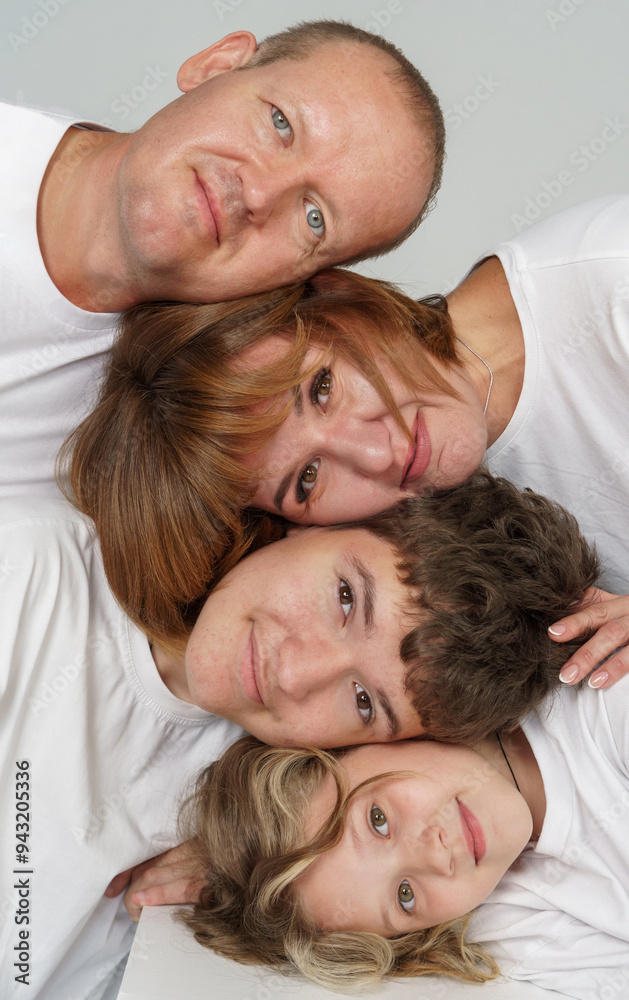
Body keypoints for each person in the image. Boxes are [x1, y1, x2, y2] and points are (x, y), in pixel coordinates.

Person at [0, 472, 601, 999]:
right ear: (317, 521)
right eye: (344, 598)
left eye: (364, 702)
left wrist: (244, 882)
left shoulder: (277, 818)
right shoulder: (30, 578)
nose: (295, 672)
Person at [0, 19, 444, 500]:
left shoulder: (162, 440)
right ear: (214, 65)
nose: (258, 191)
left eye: (313, 218)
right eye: (280, 123)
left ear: (303, 280)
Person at [172, 669, 629, 999]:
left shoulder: (608, 705)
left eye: (378, 821)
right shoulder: (502, 914)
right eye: (405, 895)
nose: (434, 857)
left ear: (364, 740)